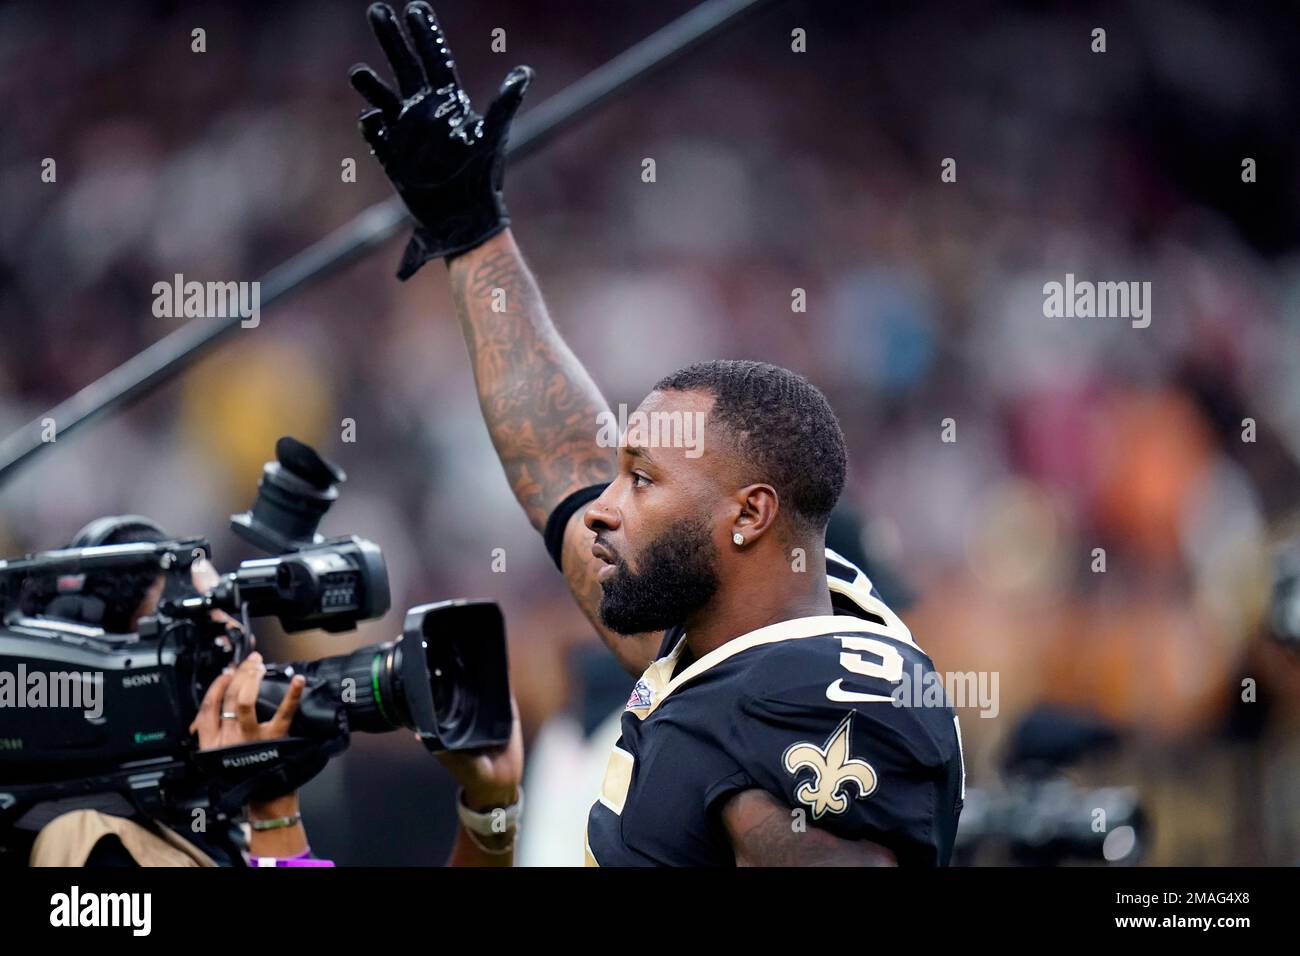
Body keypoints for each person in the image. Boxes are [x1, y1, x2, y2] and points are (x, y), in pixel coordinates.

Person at [350, 1, 964, 865]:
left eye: (641, 480)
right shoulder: (726, 643)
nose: (603, 507)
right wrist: (472, 234)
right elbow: (558, 460)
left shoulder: (810, 699)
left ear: (748, 516)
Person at [10, 515, 522, 867]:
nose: (237, 667)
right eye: (200, 648)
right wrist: (275, 815)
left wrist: (489, 811)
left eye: (234, 636)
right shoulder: (82, 841)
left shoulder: (216, 824)